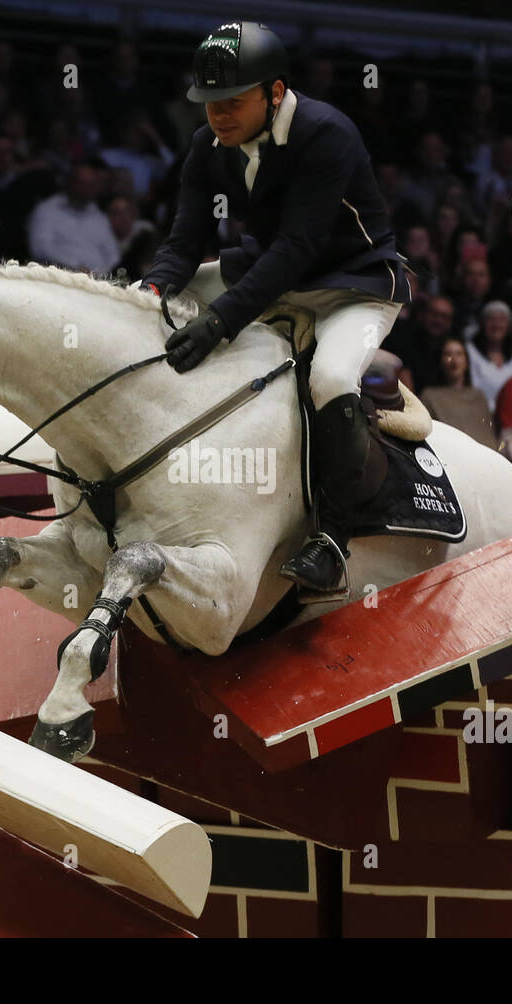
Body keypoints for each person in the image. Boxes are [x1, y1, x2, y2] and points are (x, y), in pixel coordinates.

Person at [138, 22, 409, 595]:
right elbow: (185, 243)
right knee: (145, 310)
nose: (218, 116)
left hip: (353, 286)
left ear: (276, 92)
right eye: (209, 103)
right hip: (271, 273)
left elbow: (299, 246)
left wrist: (220, 321)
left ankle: (332, 541)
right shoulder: (206, 146)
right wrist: (152, 294)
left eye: (233, 101)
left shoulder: (327, 134)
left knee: (332, 377)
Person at [418, 338, 496, 449]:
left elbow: (489, 436)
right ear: (440, 361)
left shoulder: (478, 396)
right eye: (448, 354)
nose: (454, 360)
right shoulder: (430, 396)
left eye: (459, 354)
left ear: (467, 361)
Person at [466, 300, 512, 409]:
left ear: (508, 325)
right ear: (483, 324)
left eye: (501, 320)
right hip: (478, 412)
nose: (496, 324)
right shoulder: (469, 352)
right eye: (491, 319)